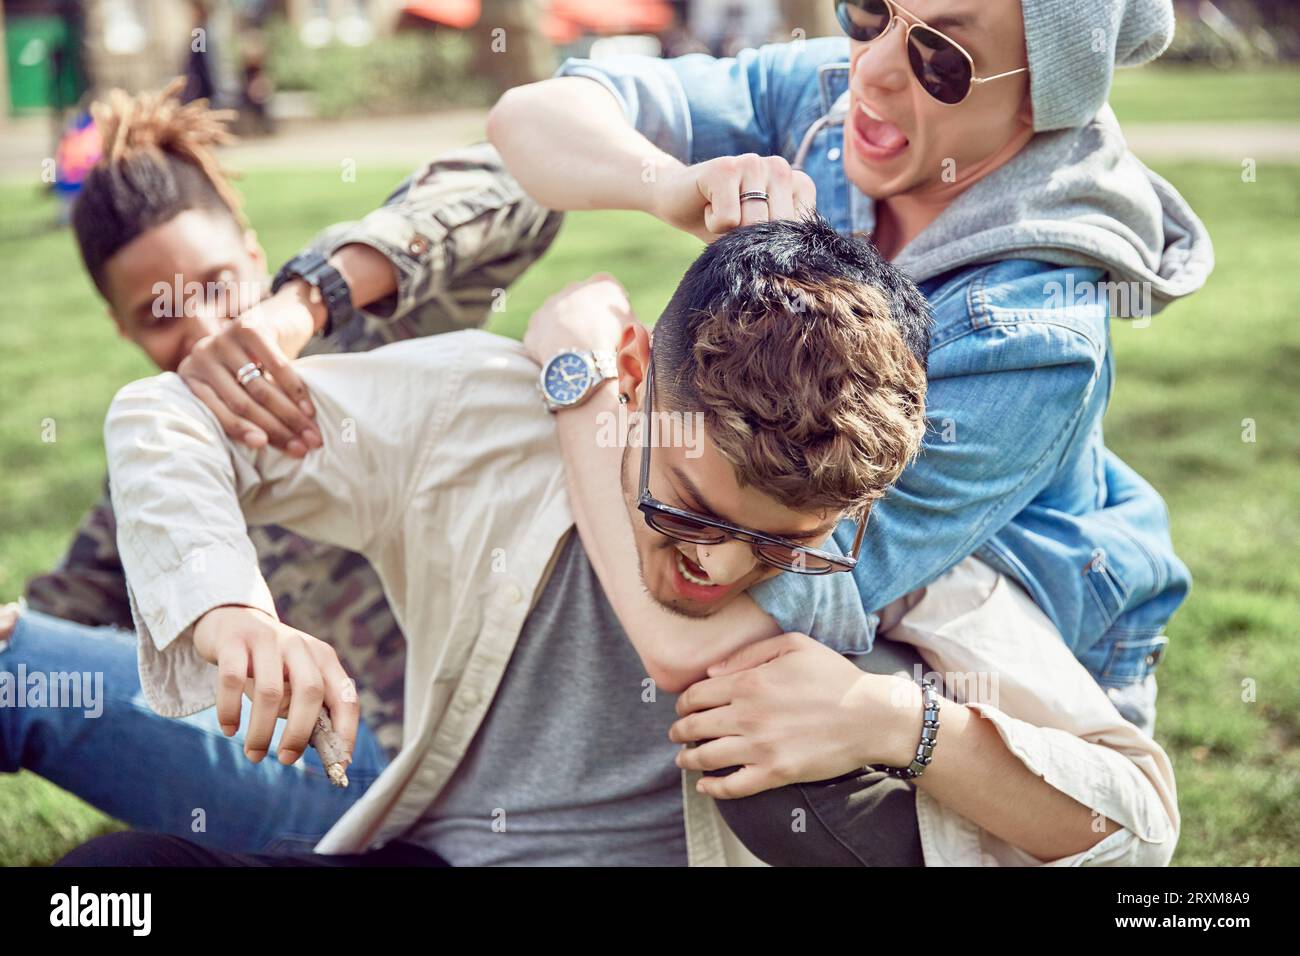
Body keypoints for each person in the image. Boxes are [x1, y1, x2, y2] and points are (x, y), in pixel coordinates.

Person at [60, 216, 1175, 867]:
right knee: (114, 880)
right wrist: (229, 609)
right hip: (445, 858)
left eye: (779, 546)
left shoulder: (890, 539)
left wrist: (894, 715)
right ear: (633, 377)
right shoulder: (482, 413)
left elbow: (1138, 824)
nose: (719, 570)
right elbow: (167, 415)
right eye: (687, 506)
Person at [486, 0, 1214, 748]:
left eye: (941, 59)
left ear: (1041, 97)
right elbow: (527, 116)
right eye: (868, 9)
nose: (871, 68)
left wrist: (583, 383)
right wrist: (666, 184)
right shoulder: (835, 94)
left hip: (1027, 676)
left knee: (760, 732)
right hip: (904, 608)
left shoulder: (1034, 334)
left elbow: (690, 646)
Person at [0, 82, 562, 853]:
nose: (199, 326)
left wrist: (306, 302)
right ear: (119, 328)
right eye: (157, 313)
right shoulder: (164, 453)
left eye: (213, 284)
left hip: (422, 772)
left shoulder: (368, 334)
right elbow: (67, 624)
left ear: (255, 254)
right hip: (294, 762)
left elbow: (526, 177)